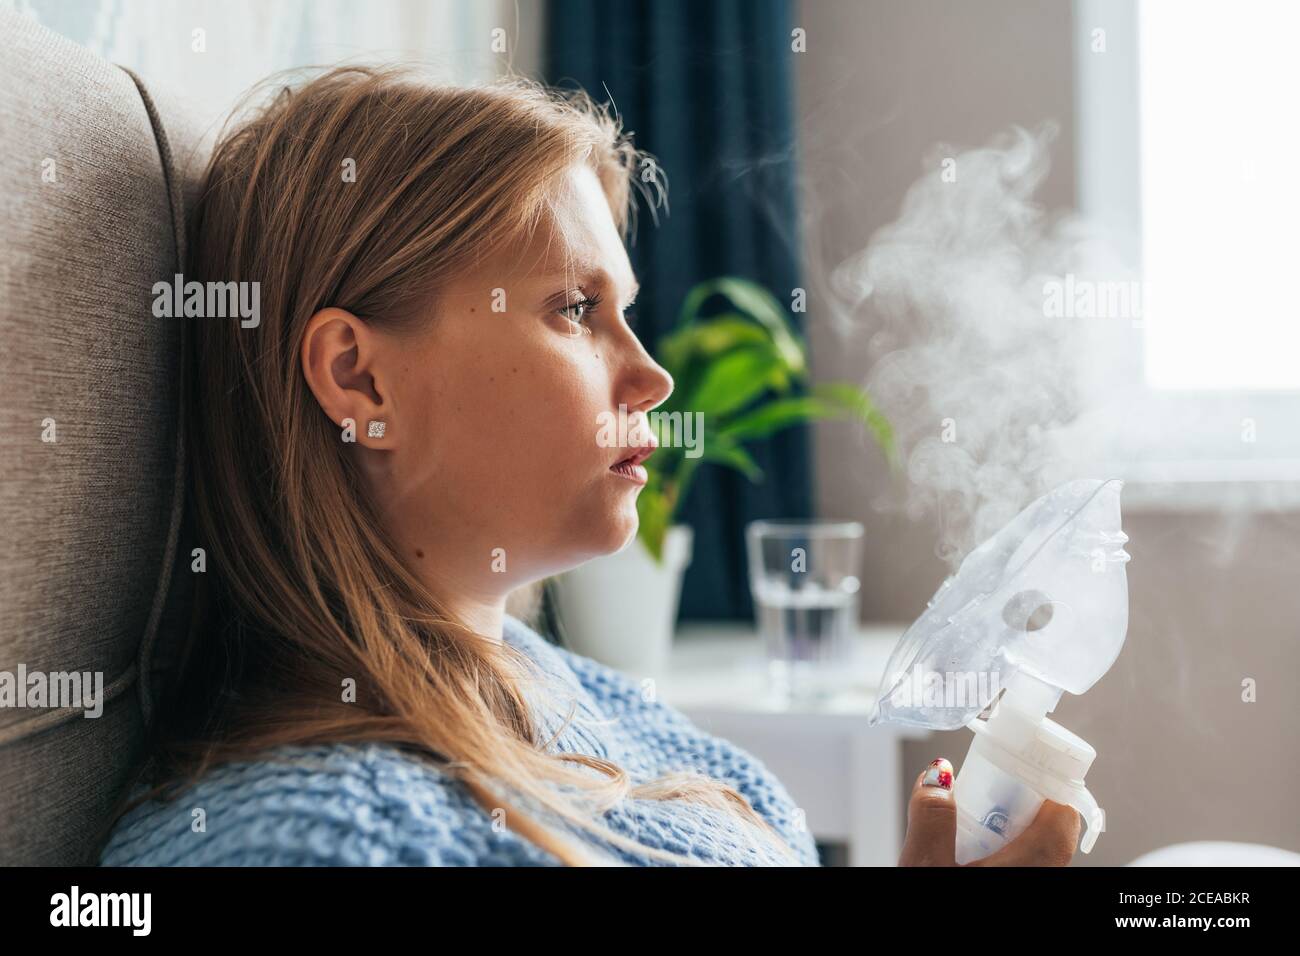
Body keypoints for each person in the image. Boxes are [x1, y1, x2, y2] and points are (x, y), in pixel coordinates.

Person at [97, 65, 1079, 867]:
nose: (652, 375)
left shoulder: (580, 698)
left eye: (626, 310)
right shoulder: (322, 842)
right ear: (360, 381)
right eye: (575, 309)